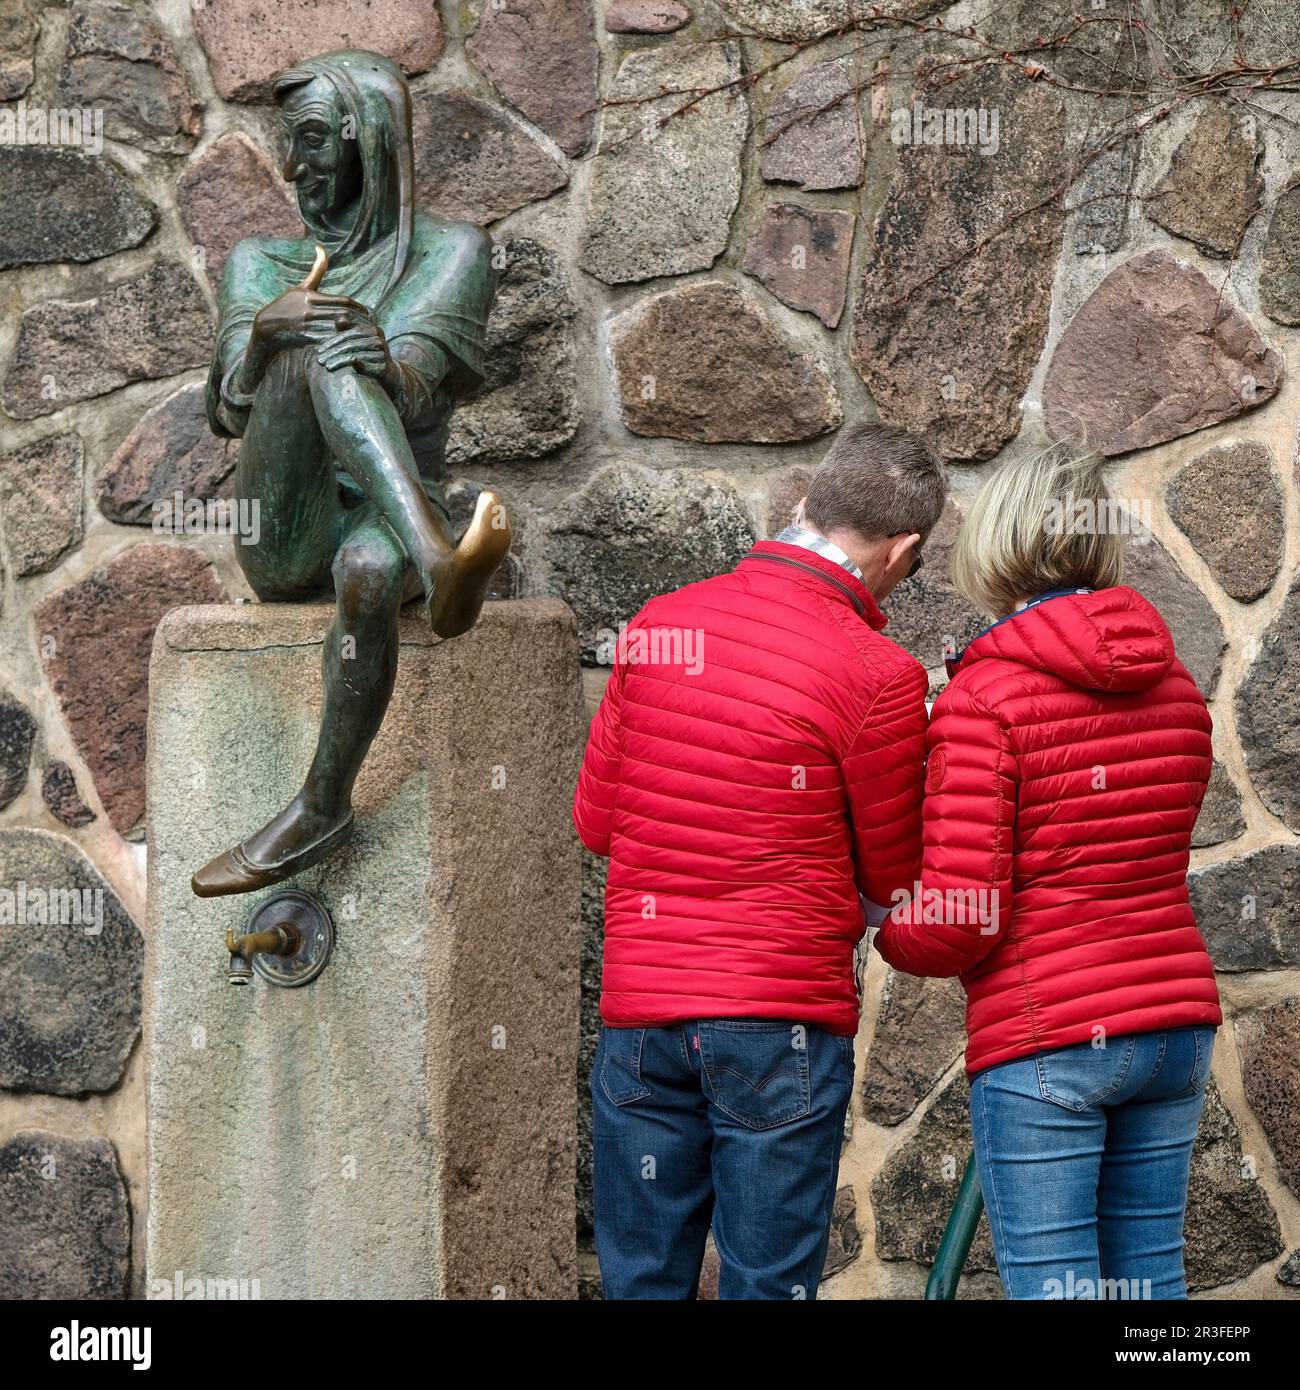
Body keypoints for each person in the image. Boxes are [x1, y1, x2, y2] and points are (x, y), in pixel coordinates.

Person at [573, 423, 947, 1298]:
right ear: (904, 549)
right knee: (770, 1284)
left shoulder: (660, 625)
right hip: (782, 1025)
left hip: (643, 1019)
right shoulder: (879, 674)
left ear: (807, 503)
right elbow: (892, 877)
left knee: (641, 1282)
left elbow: (598, 824)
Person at [874, 446, 1222, 1301]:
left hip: (1051, 1039)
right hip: (1173, 1026)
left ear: (996, 541)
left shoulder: (982, 701)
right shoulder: (1176, 689)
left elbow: (963, 917)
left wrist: (887, 927)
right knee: (1149, 1291)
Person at [192, 51, 510, 896]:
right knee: (312, 342)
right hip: (286, 528)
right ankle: (441, 555)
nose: (295, 170)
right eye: (286, 149)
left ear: (366, 141)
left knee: (370, 570)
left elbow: (416, 384)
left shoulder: (452, 254)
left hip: (376, 518)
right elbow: (227, 412)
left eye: (312, 145)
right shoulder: (259, 261)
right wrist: (264, 336)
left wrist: (390, 364)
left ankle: (322, 804)